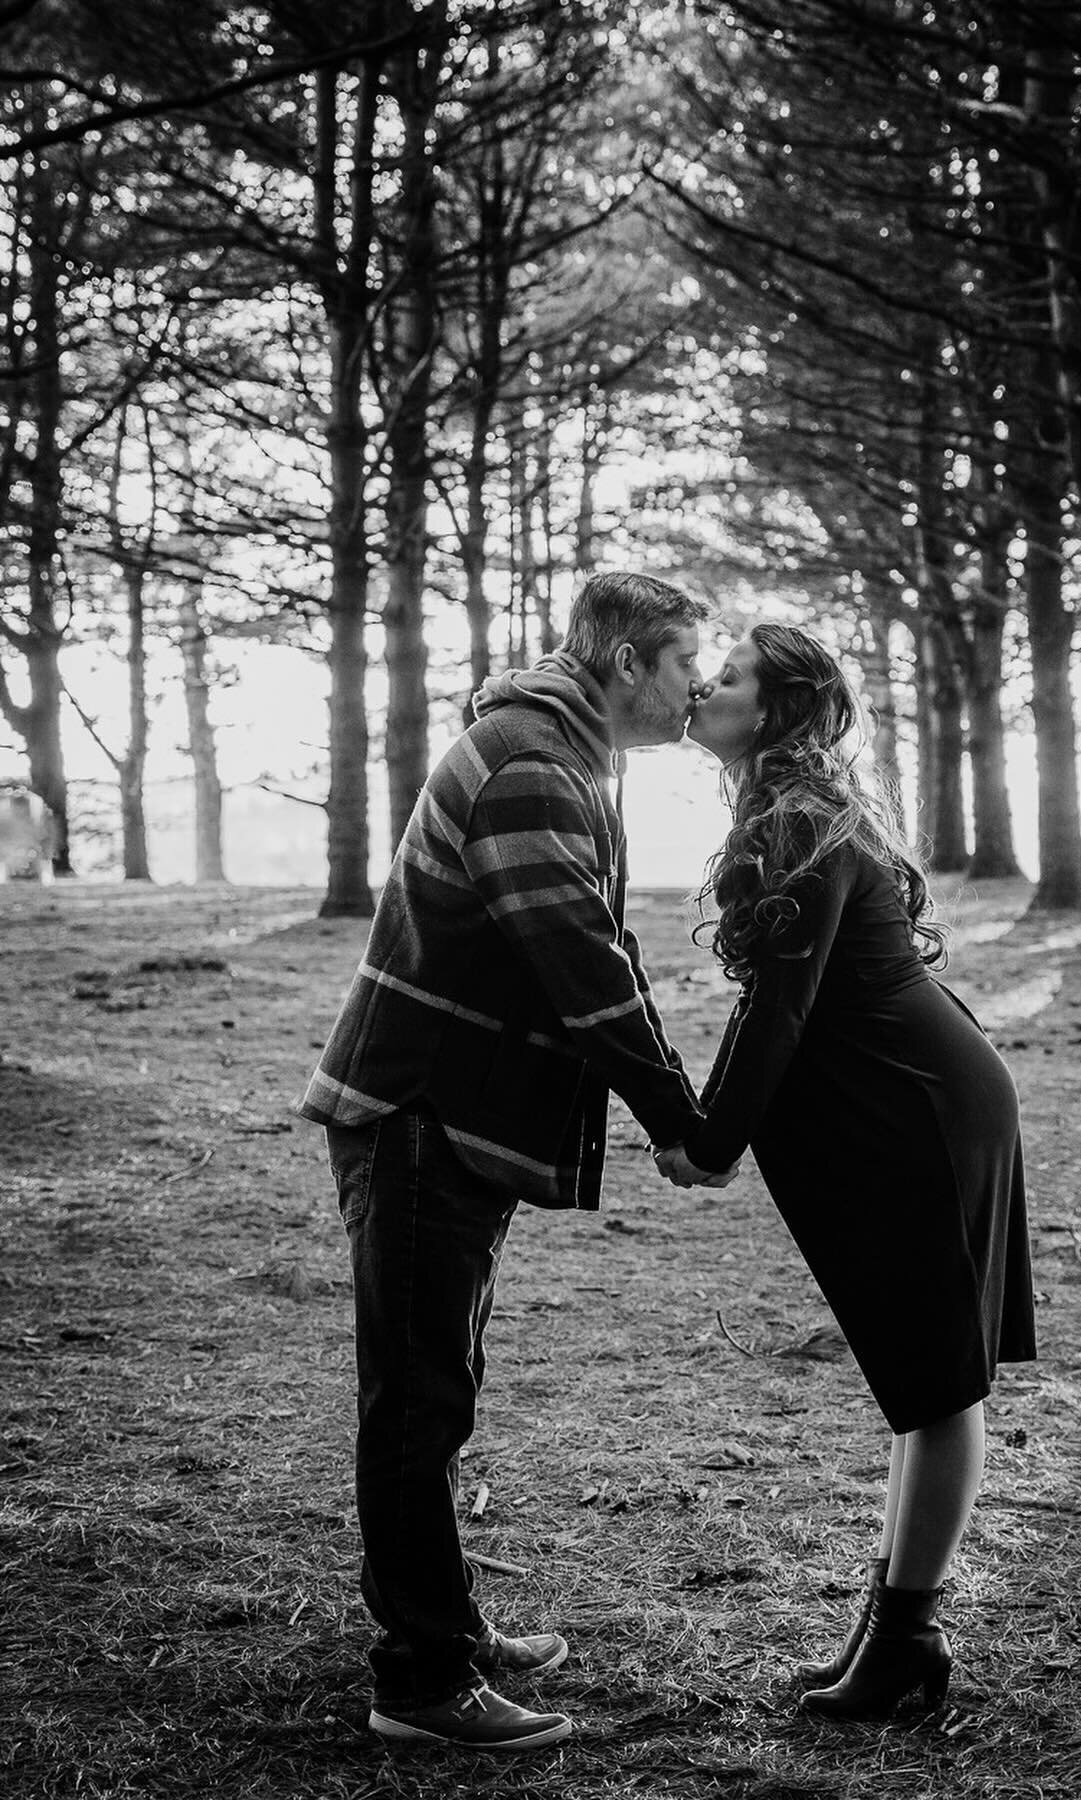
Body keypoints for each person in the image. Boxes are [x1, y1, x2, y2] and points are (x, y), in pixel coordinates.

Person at [298, 572, 729, 1751]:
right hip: (422, 1108)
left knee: (441, 1393)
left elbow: (596, 942)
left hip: (448, 1115)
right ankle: (422, 1683)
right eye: (690, 661)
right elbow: (581, 960)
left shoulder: (566, 751)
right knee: (415, 1403)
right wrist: (678, 1116)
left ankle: (443, 1628)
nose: (700, 687)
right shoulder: (536, 756)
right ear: (631, 660)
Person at [657, 622, 1036, 1723]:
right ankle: (890, 1639)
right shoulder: (786, 812)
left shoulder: (798, 819)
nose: (705, 690)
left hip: (917, 1109)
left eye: (726, 679)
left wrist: (707, 1142)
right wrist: (707, 1128)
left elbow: (783, 1009)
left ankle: (904, 1644)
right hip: (904, 1097)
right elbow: (767, 1000)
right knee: (921, 1384)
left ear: (775, 712)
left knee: (936, 1383)